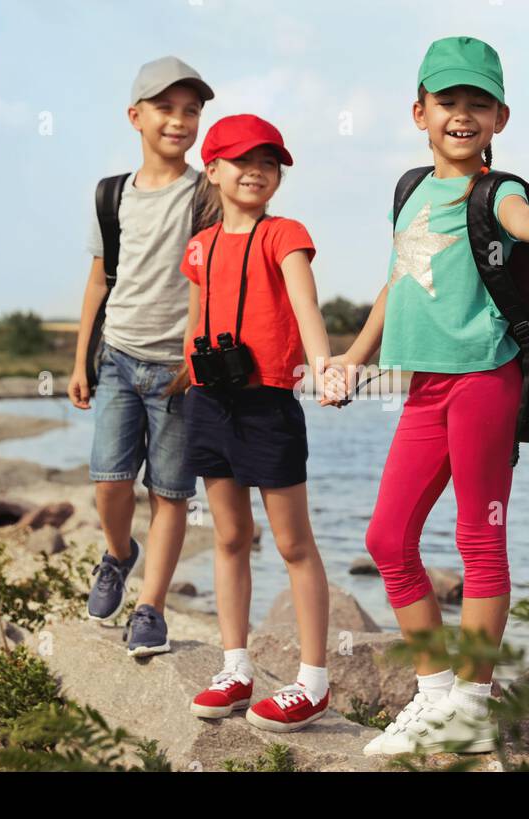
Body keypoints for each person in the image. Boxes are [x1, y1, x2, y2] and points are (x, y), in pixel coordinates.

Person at [331, 36, 529, 754]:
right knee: (388, 538)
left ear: (500, 118)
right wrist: (352, 358)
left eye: (478, 103)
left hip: (485, 378)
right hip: (423, 387)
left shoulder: (498, 190)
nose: (462, 114)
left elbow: (527, 222)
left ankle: (473, 704)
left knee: (480, 538)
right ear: (419, 111)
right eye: (448, 101)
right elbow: (397, 280)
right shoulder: (409, 189)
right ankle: (437, 693)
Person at [180, 115, 344, 731]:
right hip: (207, 402)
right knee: (228, 538)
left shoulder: (285, 234)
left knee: (293, 543)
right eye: (244, 159)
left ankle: (313, 681)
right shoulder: (198, 245)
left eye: (270, 162)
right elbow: (195, 320)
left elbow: (306, 306)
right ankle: (236, 668)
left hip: (268, 403)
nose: (257, 170)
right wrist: (184, 381)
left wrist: (325, 366)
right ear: (214, 169)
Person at [68, 56, 215, 657]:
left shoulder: (207, 192)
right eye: (165, 109)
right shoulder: (111, 195)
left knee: (172, 493)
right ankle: (119, 555)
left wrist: (198, 354)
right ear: (136, 116)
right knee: (109, 481)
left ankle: (151, 609)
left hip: (180, 372)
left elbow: (216, 274)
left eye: (191, 112)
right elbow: (98, 281)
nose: (179, 122)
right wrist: (80, 361)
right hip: (119, 359)